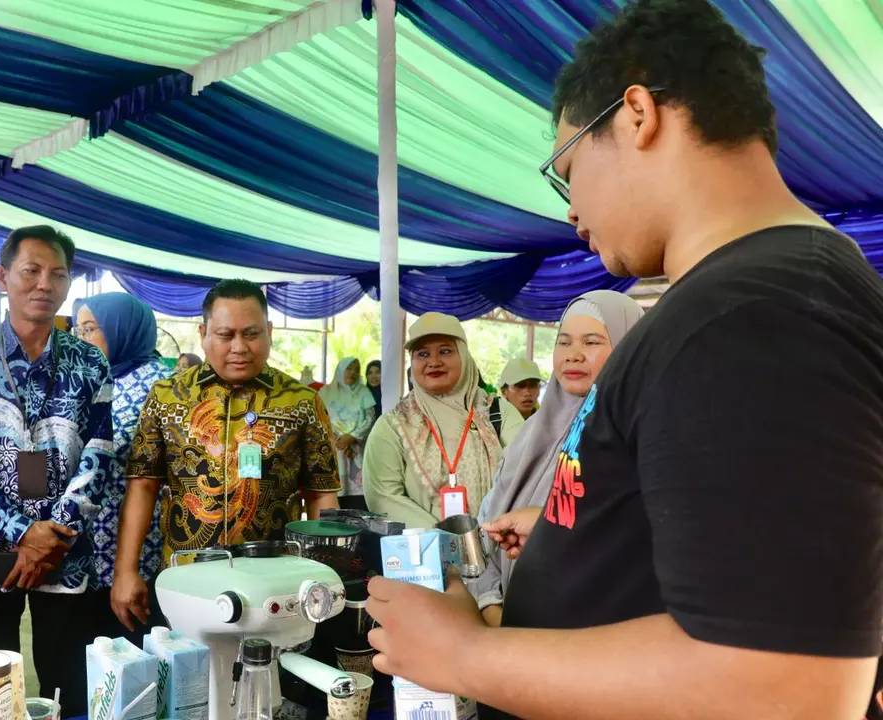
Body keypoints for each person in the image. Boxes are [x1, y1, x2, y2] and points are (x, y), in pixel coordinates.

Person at [364, 1, 883, 718]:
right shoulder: (761, 294)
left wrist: (465, 655)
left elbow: (785, 687)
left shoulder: (751, 315)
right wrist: (576, 526)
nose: (572, 210)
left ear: (637, 114)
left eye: (567, 169)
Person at [0, 225, 113, 718]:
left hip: (64, 546)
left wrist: (50, 535)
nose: (44, 284)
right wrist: (21, 532)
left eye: (58, 274)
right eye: (30, 271)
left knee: (67, 676)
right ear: (2, 277)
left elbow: (98, 453)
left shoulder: (89, 362)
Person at [112, 279, 341, 631]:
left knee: (273, 679)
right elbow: (142, 486)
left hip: (276, 587)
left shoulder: (302, 403)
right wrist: (125, 572)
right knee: (188, 680)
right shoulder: (167, 397)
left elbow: (321, 494)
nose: (239, 347)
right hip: (185, 579)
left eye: (251, 333)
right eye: (225, 335)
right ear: (203, 333)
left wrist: (329, 572)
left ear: (269, 331)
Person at [471, 291, 643, 628]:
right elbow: (487, 523)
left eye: (591, 342)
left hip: (584, 637)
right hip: (506, 623)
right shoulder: (531, 432)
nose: (574, 356)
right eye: (563, 343)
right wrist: (491, 605)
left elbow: (634, 545)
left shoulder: (637, 435)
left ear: (628, 348)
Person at [74, 293, 173, 643]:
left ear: (121, 330)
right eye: (78, 329)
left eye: (90, 329)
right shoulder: (87, 378)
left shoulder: (161, 385)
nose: (81, 339)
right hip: (84, 546)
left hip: (136, 545)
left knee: (129, 654)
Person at [362, 313, 504, 527]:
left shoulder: (496, 412)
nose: (434, 362)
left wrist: (491, 531)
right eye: (423, 354)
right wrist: (442, 537)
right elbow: (382, 496)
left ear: (464, 356)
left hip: (499, 543)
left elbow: (526, 476)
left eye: (445, 351)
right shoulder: (394, 425)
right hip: (424, 552)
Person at [319, 358, 376, 496]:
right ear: (340, 370)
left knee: (357, 499)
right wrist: (340, 441)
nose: (353, 372)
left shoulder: (364, 392)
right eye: (349, 368)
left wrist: (352, 437)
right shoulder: (325, 392)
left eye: (356, 370)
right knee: (333, 499)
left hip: (357, 450)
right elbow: (320, 418)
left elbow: (370, 419)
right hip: (333, 448)